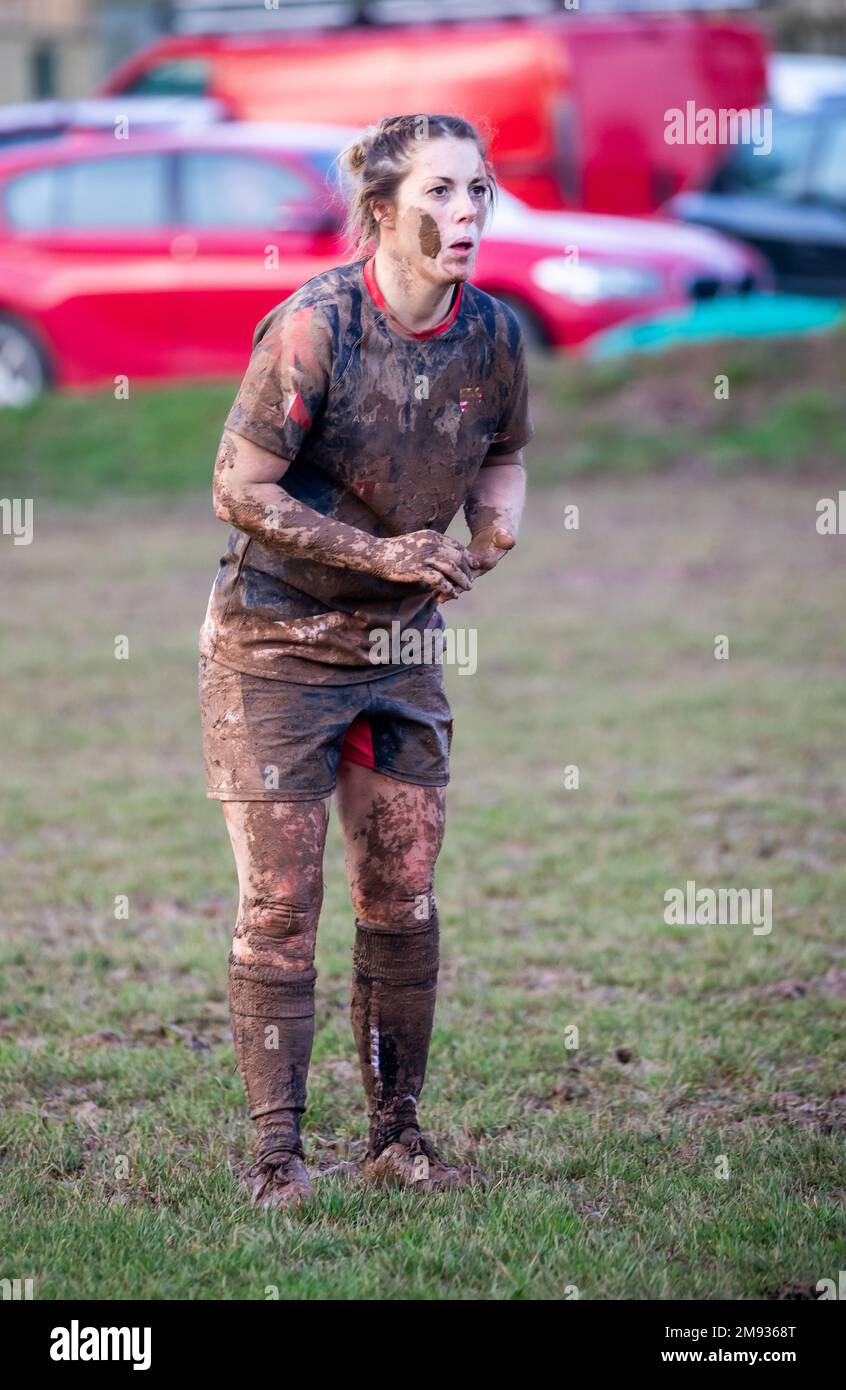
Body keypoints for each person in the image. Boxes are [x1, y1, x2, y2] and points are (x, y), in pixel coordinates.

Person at [198, 113, 532, 1208]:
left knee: (402, 889)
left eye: (477, 190)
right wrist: (378, 550)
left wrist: (490, 530)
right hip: (276, 647)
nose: (467, 213)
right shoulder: (314, 328)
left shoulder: (493, 335)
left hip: (399, 649)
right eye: (440, 193)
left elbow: (508, 453)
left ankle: (396, 1134)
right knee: (282, 906)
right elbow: (239, 488)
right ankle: (276, 1161)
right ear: (381, 211)